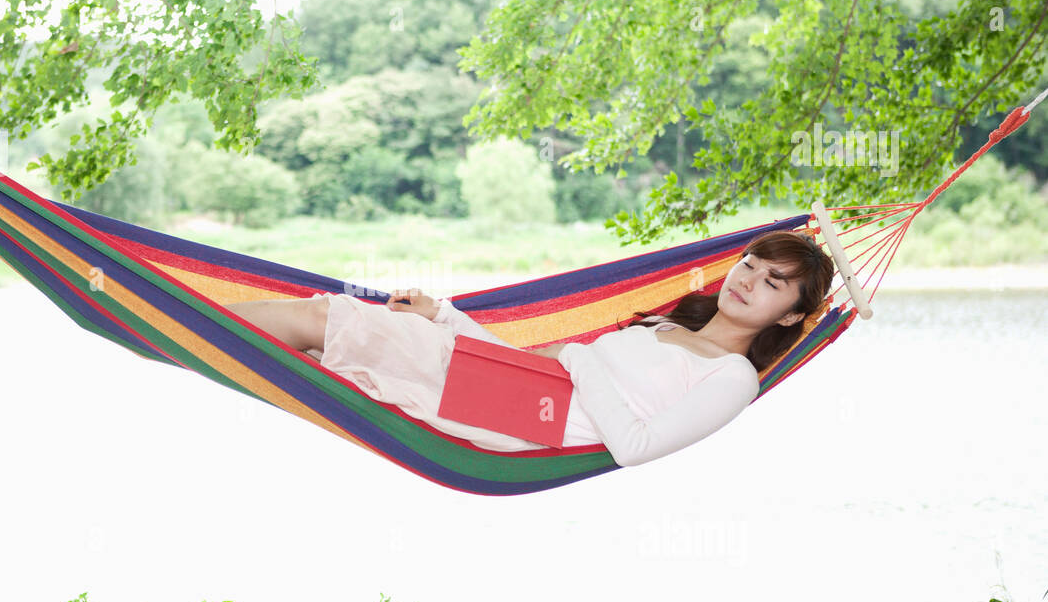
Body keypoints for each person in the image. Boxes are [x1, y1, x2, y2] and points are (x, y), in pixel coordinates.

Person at [226, 230, 834, 466]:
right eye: (750, 265)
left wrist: (583, 359)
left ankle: (176, 332)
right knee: (322, 330)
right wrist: (447, 315)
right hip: (509, 390)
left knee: (327, 322)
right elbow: (530, 366)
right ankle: (175, 328)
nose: (747, 281)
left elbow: (635, 447)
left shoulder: (731, 378)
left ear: (796, 314)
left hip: (522, 421)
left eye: (772, 282)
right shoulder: (663, 331)